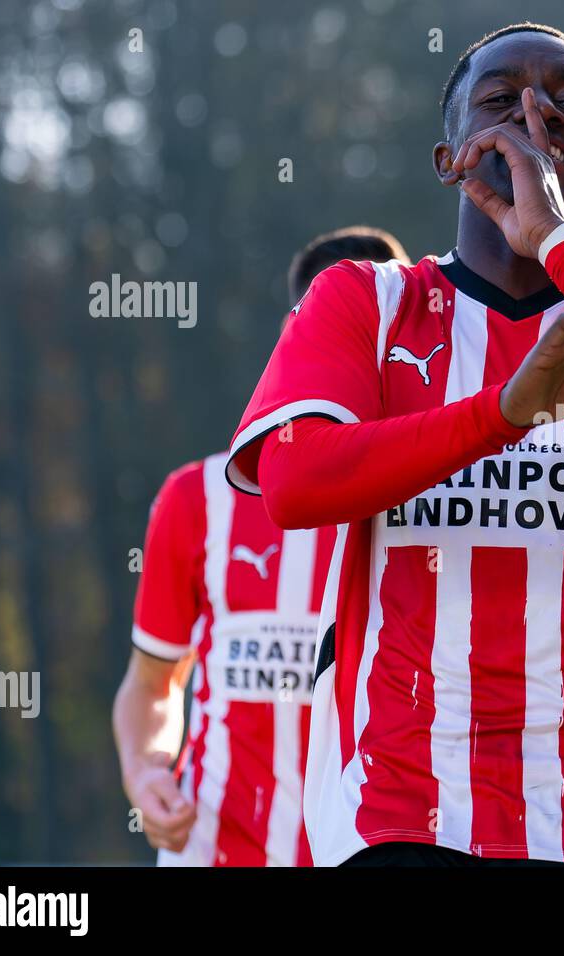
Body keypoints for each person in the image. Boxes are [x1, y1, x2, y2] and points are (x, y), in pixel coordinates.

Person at [225, 22, 564, 867]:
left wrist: (562, 244)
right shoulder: (367, 302)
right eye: (501, 101)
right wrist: (504, 412)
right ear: (449, 156)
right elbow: (295, 485)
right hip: (405, 805)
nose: (537, 118)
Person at [112, 226, 409, 866]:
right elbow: (151, 685)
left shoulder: (436, 506)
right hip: (212, 851)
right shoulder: (198, 499)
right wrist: (147, 773)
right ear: (296, 333)